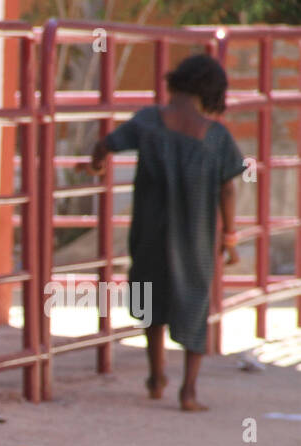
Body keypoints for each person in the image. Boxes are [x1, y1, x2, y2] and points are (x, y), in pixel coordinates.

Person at [82, 53, 245, 411]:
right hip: (197, 238)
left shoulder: (148, 122)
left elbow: (106, 144)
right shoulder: (216, 137)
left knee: (148, 297)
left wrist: (95, 164)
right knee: (195, 302)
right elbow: (228, 188)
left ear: (175, 83)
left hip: (150, 232)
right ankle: (188, 390)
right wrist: (229, 236)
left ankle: (156, 377)